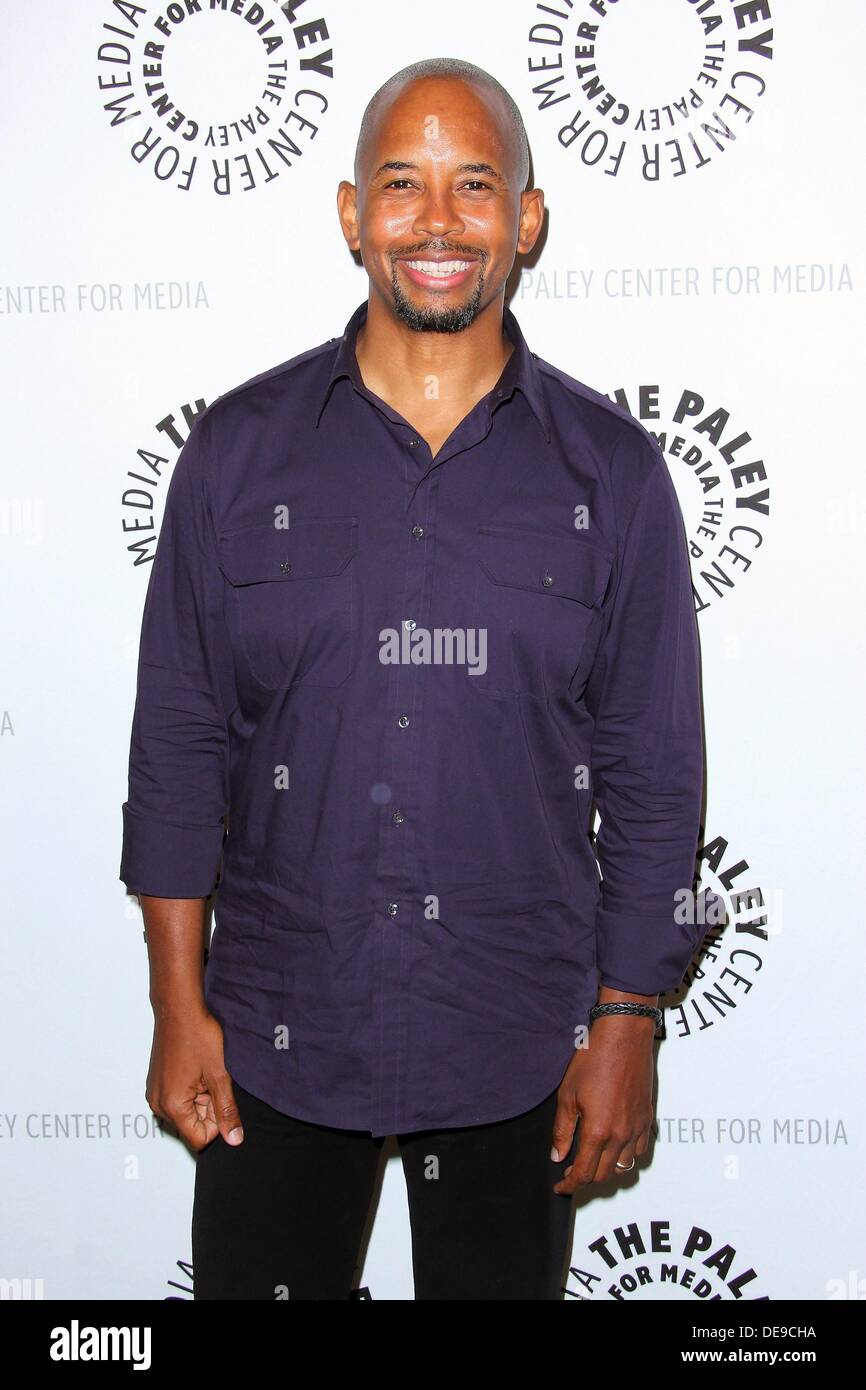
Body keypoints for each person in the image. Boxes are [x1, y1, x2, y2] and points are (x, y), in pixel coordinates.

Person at [120, 56, 709, 1301]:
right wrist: (178, 1001)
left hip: (517, 1041)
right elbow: (178, 744)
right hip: (278, 1032)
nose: (436, 222)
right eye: (402, 185)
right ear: (350, 215)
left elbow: (653, 776)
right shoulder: (236, 453)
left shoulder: (613, 474)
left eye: (473, 186)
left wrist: (626, 1023)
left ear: (525, 220)